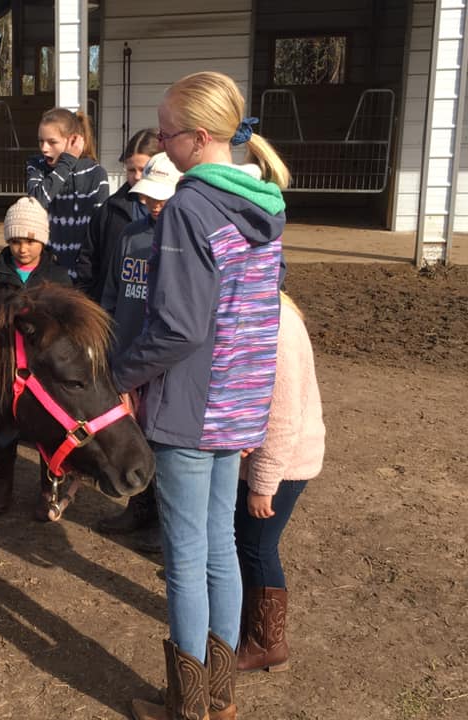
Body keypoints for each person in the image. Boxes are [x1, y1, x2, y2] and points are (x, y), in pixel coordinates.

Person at [111, 71, 290, 720]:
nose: (159, 145)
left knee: (186, 560)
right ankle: (219, 696)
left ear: (199, 137)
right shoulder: (265, 204)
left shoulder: (189, 207)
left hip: (191, 405)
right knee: (219, 548)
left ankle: (188, 707)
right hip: (239, 403)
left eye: (165, 132)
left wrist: (119, 376)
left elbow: (180, 326)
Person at [235, 291, 325, 673]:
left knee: (257, 546)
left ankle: (267, 643)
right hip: (264, 457)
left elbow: (283, 414)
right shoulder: (259, 313)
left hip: (281, 464)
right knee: (248, 542)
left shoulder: (279, 327)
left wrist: (263, 483)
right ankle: (253, 629)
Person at [96, 152, 181, 539]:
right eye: (149, 197)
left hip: (163, 359)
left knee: (165, 442)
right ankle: (139, 507)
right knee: (135, 432)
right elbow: (113, 292)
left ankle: (166, 523)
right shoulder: (131, 235)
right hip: (128, 352)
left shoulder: (183, 239)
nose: (155, 205)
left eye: (163, 197)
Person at [0, 196, 72, 518]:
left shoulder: (58, 277)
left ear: (42, 240)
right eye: (16, 240)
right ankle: (2, 486)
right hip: (5, 362)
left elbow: (66, 324)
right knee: (4, 429)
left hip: (42, 368)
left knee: (47, 431)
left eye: (30, 240)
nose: (23, 248)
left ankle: (48, 490)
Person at [26, 107, 109, 292]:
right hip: (46, 275)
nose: (44, 148)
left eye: (52, 142)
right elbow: (36, 202)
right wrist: (67, 162)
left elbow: (99, 228)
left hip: (84, 276)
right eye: (41, 141)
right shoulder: (36, 166)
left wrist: (89, 273)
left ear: (73, 140)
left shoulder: (96, 174)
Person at [87, 127, 160, 305]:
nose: (136, 176)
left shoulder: (175, 210)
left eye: (144, 169)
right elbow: (89, 258)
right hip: (116, 307)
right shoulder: (111, 208)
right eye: (131, 170)